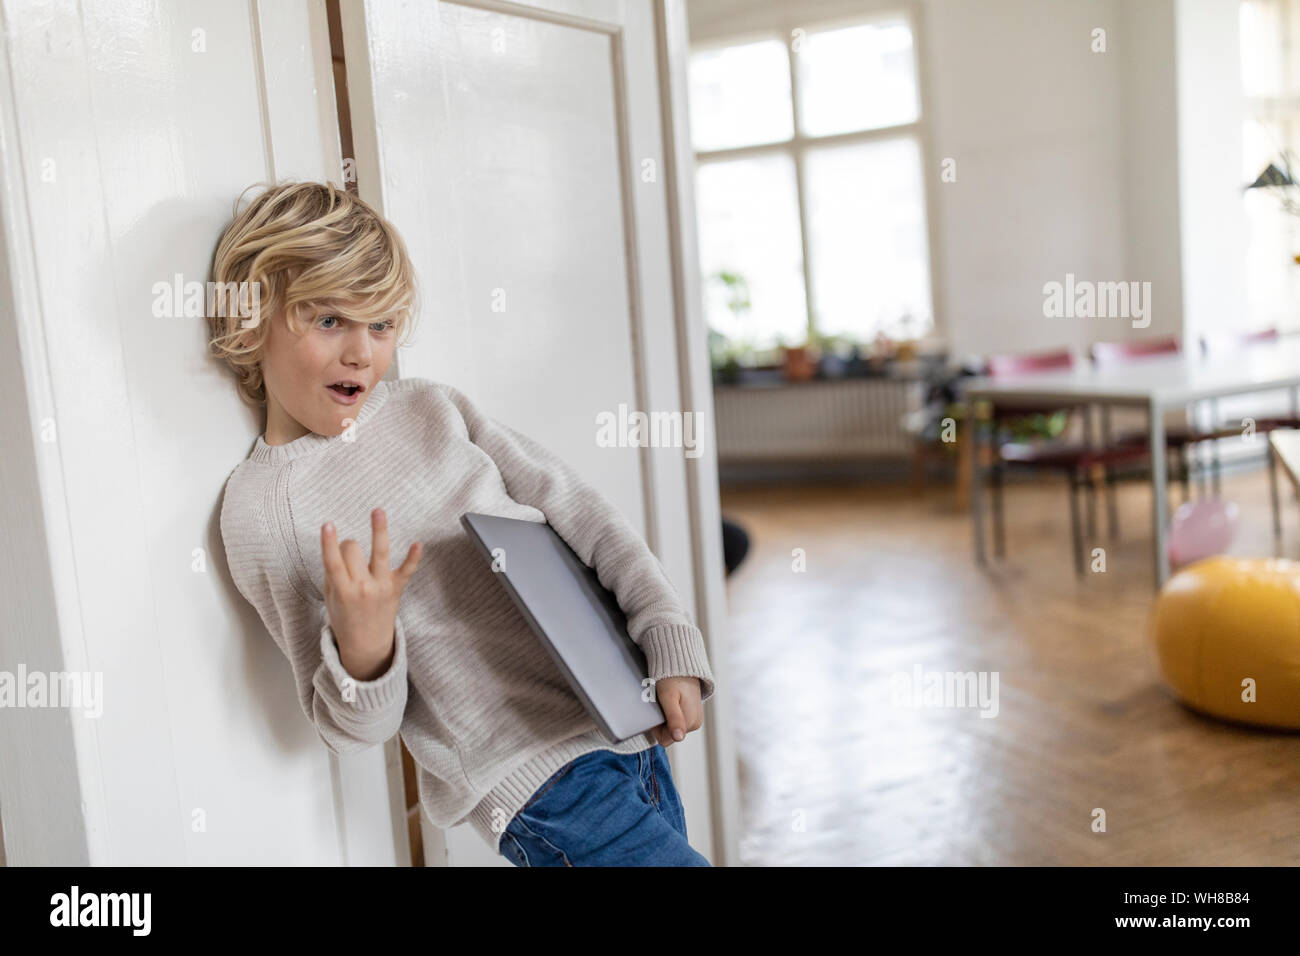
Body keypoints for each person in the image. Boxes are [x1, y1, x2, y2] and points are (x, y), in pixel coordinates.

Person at [211, 181, 715, 866]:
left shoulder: (432, 409)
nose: (362, 351)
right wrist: (365, 653)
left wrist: (667, 636)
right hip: (540, 786)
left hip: (625, 725)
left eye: (382, 324)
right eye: (330, 320)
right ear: (250, 320)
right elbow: (349, 728)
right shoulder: (261, 511)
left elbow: (583, 513)